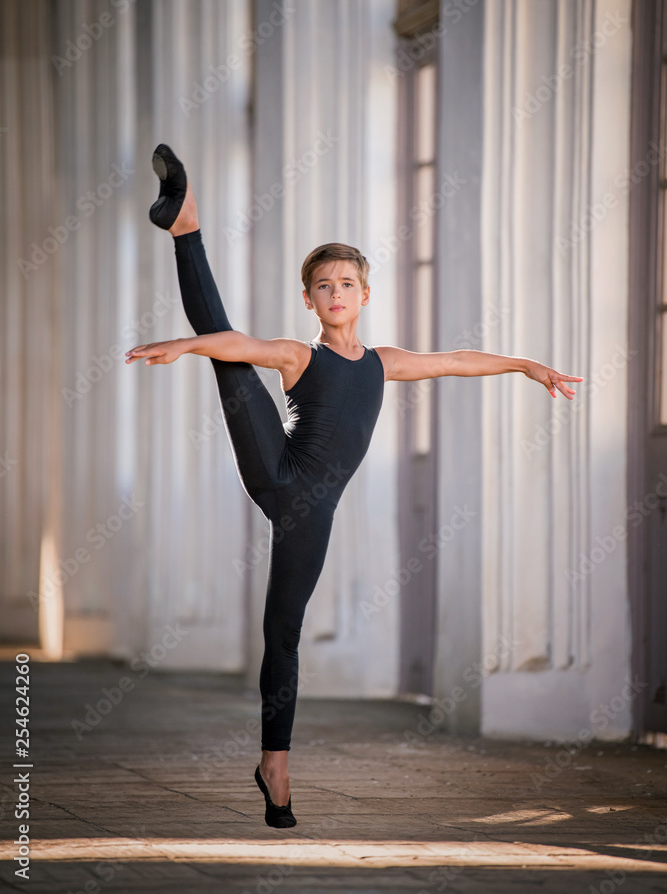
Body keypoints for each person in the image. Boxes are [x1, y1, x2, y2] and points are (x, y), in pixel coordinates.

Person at [125, 144, 583, 828]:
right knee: (224, 352)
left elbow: (455, 359)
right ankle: (185, 226)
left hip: (312, 509)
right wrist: (184, 347)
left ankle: (270, 761)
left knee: (283, 629)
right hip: (277, 473)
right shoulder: (297, 353)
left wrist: (523, 364)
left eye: (346, 284)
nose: (335, 293)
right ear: (308, 298)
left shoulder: (384, 362)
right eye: (323, 285)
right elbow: (238, 344)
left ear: (363, 295)